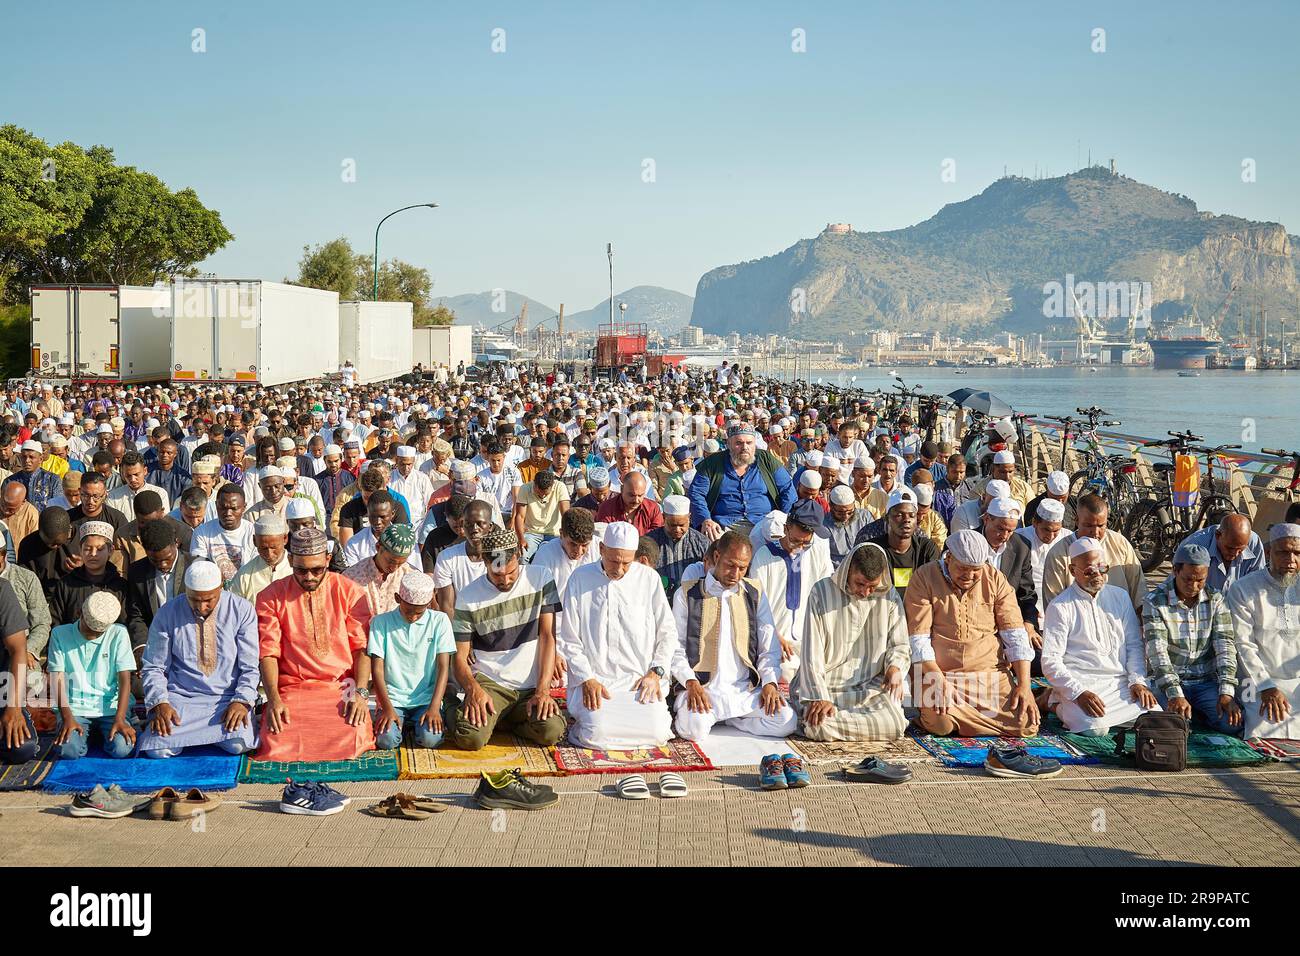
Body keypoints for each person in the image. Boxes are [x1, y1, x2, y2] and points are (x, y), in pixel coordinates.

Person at [254, 528, 374, 761]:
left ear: (328, 559)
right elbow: (267, 653)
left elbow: (361, 648)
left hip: (341, 687)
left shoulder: (349, 591)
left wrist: (360, 693)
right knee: (276, 740)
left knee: (356, 733)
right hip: (294, 688)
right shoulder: (270, 597)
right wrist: (274, 699)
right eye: (301, 570)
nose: (309, 577)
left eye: (317, 570)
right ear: (290, 561)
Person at [905, 530, 1039, 738]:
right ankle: (966, 720)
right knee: (941, 724)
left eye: (976, 570)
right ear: (948, 557)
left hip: (988, 675)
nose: (969, 576)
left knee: (1027, 724)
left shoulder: (995, 578)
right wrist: (936, 678)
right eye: (963, 569)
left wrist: (1024, 685)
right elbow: (918, 639)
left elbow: (1015, 635)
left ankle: (966, 721)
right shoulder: (924, 577)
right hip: (939, 674)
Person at [558, 522, 677, 749]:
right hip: (597, 681)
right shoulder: (580, 578)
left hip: (639, 680)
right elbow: (569, 639)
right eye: (614, 561)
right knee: (597, 734)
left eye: (627, 562)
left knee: (657, 733)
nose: (620, 569)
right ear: (602, 549)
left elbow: (668, 631)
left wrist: (656, 672)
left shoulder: (649, 579)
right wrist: (587, 679)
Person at [670, 529, 797, 741]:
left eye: (742, 568)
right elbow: (676, 646)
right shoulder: (687, 593)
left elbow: (769, 645)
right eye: (730, 565)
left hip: (744, 690)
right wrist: (690, 682)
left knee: (787, 720)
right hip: (703, 688)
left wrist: (769, 682)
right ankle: (718, 717)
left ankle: (733, 719)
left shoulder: (754, 592)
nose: (735, 574)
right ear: (717, 556)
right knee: (695, 731)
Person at [449, 528, 566, 750]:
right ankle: (452, 707)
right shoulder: (468, 596)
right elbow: (460, 657)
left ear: (518, 558)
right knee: (470, 739)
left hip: (531, 686)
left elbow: (548, 636)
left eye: (511, 572)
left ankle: (505, 721)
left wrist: (543, 691)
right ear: (485, 563)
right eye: (497, 575)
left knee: (551, 732)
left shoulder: (540, 577)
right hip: (491, 684)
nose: (505, 580)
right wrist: (473, 689)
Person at [1038, 536, 1161, 738]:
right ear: (1072, 570)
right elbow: (1051, 661)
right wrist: (1078, 693)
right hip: (1082, 684)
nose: (1097, 575)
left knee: (1156, 720)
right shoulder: (1060, 606)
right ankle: (1056, 703)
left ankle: (1061, 700)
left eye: (1102, 568)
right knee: (1095, 728)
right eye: (1089, 571)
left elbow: (1134, 645)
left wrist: (1137, 681)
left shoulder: (1120, 596)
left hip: (1120, 684)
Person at [136, 561, 260, 758]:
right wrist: (160, 703)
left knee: (238, 744)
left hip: (226, 700)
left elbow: (251, 667)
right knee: (157, 750)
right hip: (181, 701)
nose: (201, 607)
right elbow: (154, 667)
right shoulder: (167, 612)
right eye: (194, 600)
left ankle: (205, 737)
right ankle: (202, 738)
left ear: (220, 588)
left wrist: (241, 701)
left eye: (209, 600)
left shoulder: (242, 610)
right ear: (186, 590)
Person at [795, 542, 910, 741]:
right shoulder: (821, 592)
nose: (865, 592)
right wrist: (819, 697)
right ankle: (828, 720)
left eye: (872, 586)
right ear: (848, 570)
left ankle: (835, 722)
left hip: (869, 689)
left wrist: (894, 668)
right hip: (827, 686)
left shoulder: (889, 596)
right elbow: (811, 652)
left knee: (896, 723)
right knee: (819, 724)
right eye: (860, 583)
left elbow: (900, 644)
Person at [1142, 541, 1242, 736]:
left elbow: (1225, 647)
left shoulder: (1216, 599)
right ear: (1175, 571)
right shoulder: (1154, 601)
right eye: (1188, 579)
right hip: (1167, 682)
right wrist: (1175, 694)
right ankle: (1188, 713)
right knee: (1170, 728)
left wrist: (1226, 692)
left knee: (1232, 724)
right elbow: (1157, 653)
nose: (1194, 586)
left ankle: (1196, 713)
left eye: (1200, 580)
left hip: (1205, 681)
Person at [1226, 522, 1300, 740]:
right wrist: (1267, 687)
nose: (1291, 560)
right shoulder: (1243, 589)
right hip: (1258, 682)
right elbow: (1243, 644)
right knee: (1266, 729)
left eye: (1297, 553)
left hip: (1297, 682)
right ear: (1268, 552)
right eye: (1284, 552)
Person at [747, 498, 833, 684]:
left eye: (805, 542)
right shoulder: (764, 556)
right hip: (775, 640)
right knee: (785, 676)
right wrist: (776, 636)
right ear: (786, 528)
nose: (799, 546)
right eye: (795, 540)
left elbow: (825, 594)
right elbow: (757, 605)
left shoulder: (816, 552)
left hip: (809, 638)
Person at [369, 572, 455, 751]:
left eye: (419, 612)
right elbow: (377, 670)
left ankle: (413, 724)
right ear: (397, 598)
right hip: (393, 699)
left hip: (426, 699)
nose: (413, 617)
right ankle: (401, 723)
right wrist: (386, 707)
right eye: (408, 611)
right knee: (386, 741)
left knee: (430, 739)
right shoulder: (380, 622)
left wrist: (433, 708)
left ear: (429, 603)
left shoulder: (440, 621)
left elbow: (443, 667)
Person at [48, 592, 136, 760]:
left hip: (111, 708)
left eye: (99, 633)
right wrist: (67, 717)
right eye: (90, 630)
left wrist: (120, 718)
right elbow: (56, 679)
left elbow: (125, 680)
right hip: (74, 708)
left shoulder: (119, 633)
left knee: (122, 749)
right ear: (79, 613)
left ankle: (102, 731)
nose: (94, 635)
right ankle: (87, 734)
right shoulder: (59, 634)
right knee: (68, 750)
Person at [688, 423, 795, 540]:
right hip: (724, 525)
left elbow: (787, 489)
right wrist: (705, 519)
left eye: (749, 443)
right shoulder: (712, 464)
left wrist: (784, 517)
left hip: (764, 523)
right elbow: (696, 493)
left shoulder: (766, 459)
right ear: (728, 444)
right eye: (738, 443)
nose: (745, 447)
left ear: (755, 444)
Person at [1041, 494, 1146, 612]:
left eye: (1101, 526)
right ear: (1077, 521)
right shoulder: (1058, 554)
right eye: (1088, 525)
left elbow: (1138, 589)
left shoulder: (1119, 543)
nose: (1095, 532)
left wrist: (1142, 621)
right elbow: (1054, 604)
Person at [854, 487, 937, 600]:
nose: (906, 519)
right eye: (899, 515)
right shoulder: (873, 550)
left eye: (912, 515)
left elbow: (934, 589)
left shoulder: (927, 548)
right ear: (887, 518)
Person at [125, 518, 192, 651]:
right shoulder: (137, 572)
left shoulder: (196, 567)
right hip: (155, 644)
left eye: (168, 558)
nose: (163, 565)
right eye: (154, 560)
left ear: (177, 543)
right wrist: (141, 646)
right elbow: (136, 615)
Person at [343, 523, 419, 617]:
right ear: (378, 547)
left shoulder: (411, 578)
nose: (394, 568)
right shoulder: (351, 577)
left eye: (400, 564)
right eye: (390, 561)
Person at [1179, 514, 1266, 594]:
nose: (1234, 554)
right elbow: (1178, 589)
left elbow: (1258, 583)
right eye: (1229, 548)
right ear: (1218, 535)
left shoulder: (1254, 543)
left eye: (1240, 549)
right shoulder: (1194, 547)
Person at [1014, 498, 1069, 621]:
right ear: (1034, 522)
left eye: (1056, 531)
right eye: (1046, 530)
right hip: (1025, 604)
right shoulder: (1018, 538)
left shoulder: (1068, 540)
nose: (1050, 536)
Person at [191, 484, 257, 584]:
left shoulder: (253, 532)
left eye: (234, 509)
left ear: (244, 507)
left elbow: (255, 568)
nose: (228, 513)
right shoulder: (201, 532)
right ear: (216, 505)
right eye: (223, 508)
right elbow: (199, 564)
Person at [340, 490, 421, 571]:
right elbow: (353, 576)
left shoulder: (407, 542)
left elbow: (415, 575)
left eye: (382, 517)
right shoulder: (354, 544)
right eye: (373, 516)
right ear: (368, 513)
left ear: (392, 514)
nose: (377, 522)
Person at [645, 494, 708, 598]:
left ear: (689, 518)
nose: (677, 530)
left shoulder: (701, 543)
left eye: (682, 525)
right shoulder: (650, 542)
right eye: (672, 525)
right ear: (664, 517)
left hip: (692, 601)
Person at [531, 506, 600, 599]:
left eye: (584, 545)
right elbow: (537, 596)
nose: (578, 551)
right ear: (561, 534)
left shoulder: (600, 548)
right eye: (573, 544)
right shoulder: (545, 555)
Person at [228, 513, 292, 601]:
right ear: (254, 541)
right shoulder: (245, 575)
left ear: (285, 539)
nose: (269, 554)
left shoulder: (297, 569)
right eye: (264, 548)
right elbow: (233, 606)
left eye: (273, 547)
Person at [513, 468, 570, 561]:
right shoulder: (525, 488)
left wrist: (565, 535)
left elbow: (566, 514)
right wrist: (521, 539)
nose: (543, 496)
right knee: (522, 556)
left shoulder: (560, 487)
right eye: (539, 493)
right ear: (534, 484)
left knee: (558, 558)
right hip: (532, 533)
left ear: (552, 486)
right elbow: (520, 516)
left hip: (554, 533)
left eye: (545, 494)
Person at [595, 470, 662, 535]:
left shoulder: (652, 508)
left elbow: (657, 536)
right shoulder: (606, 508)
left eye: (640, 495)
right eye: (631, 495)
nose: (636, 500)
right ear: (621, 489)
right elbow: (603, 536)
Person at [823, 484, 871, 564]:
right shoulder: (823, 524)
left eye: (850, 512)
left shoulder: (865, 517)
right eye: (840, 513)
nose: (846, 516)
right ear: (831, 506)